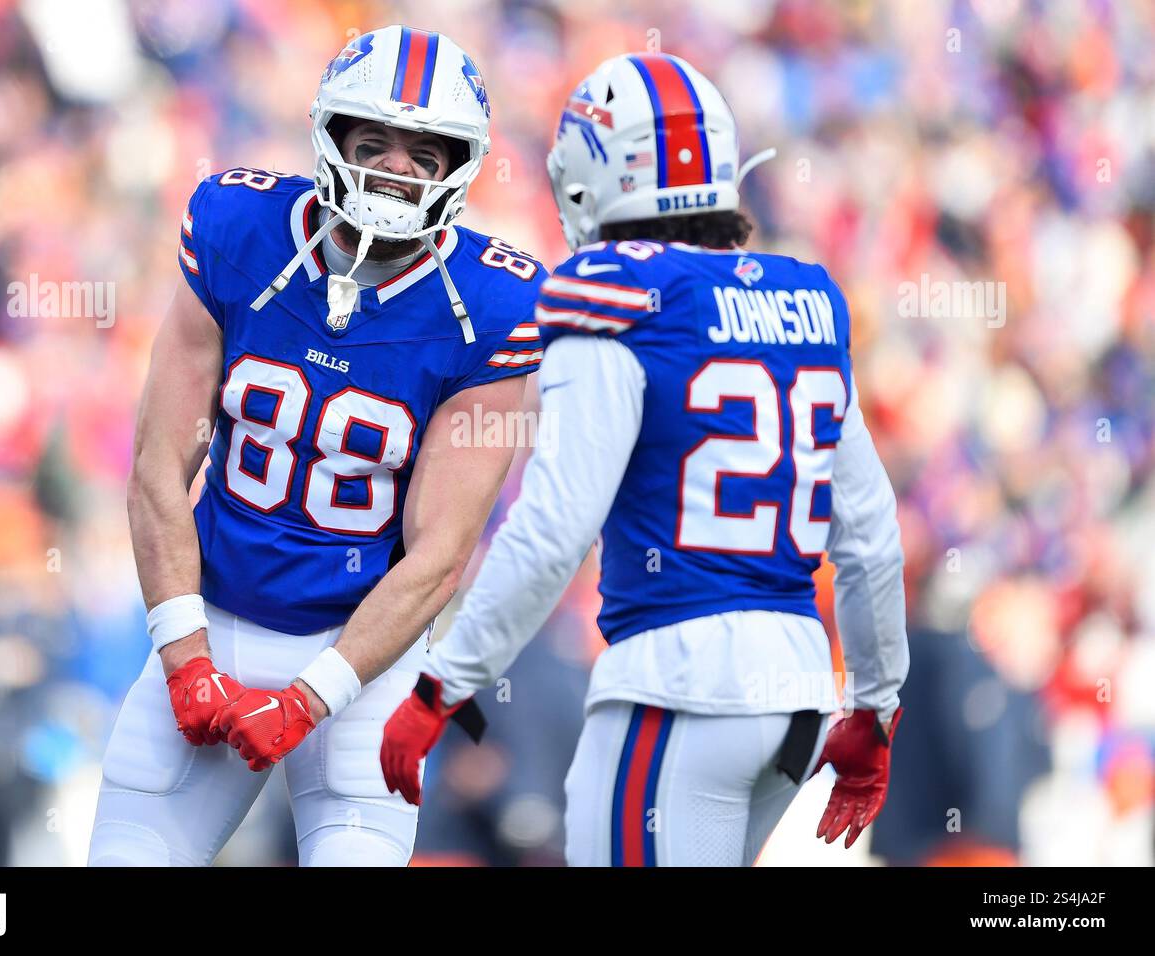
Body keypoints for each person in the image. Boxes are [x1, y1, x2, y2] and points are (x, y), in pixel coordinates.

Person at [379, 52, 909, 866]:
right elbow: (869, 535)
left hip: (676, 687)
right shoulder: (805, 298)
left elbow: (554, 529)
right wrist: (874, 708)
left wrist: (443, 682)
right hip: (798, 697)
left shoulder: (612, 293)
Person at [88, 25, 545, 867]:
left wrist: (309, 698)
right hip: (209, 620)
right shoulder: (240, 226)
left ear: (460, 169)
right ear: (330, 137)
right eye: (373, 142)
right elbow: (159, 466)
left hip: (361, 660)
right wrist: (186, 660)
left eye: (423, 154)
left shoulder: (494, 303)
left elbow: (438, 558)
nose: (395, 169)